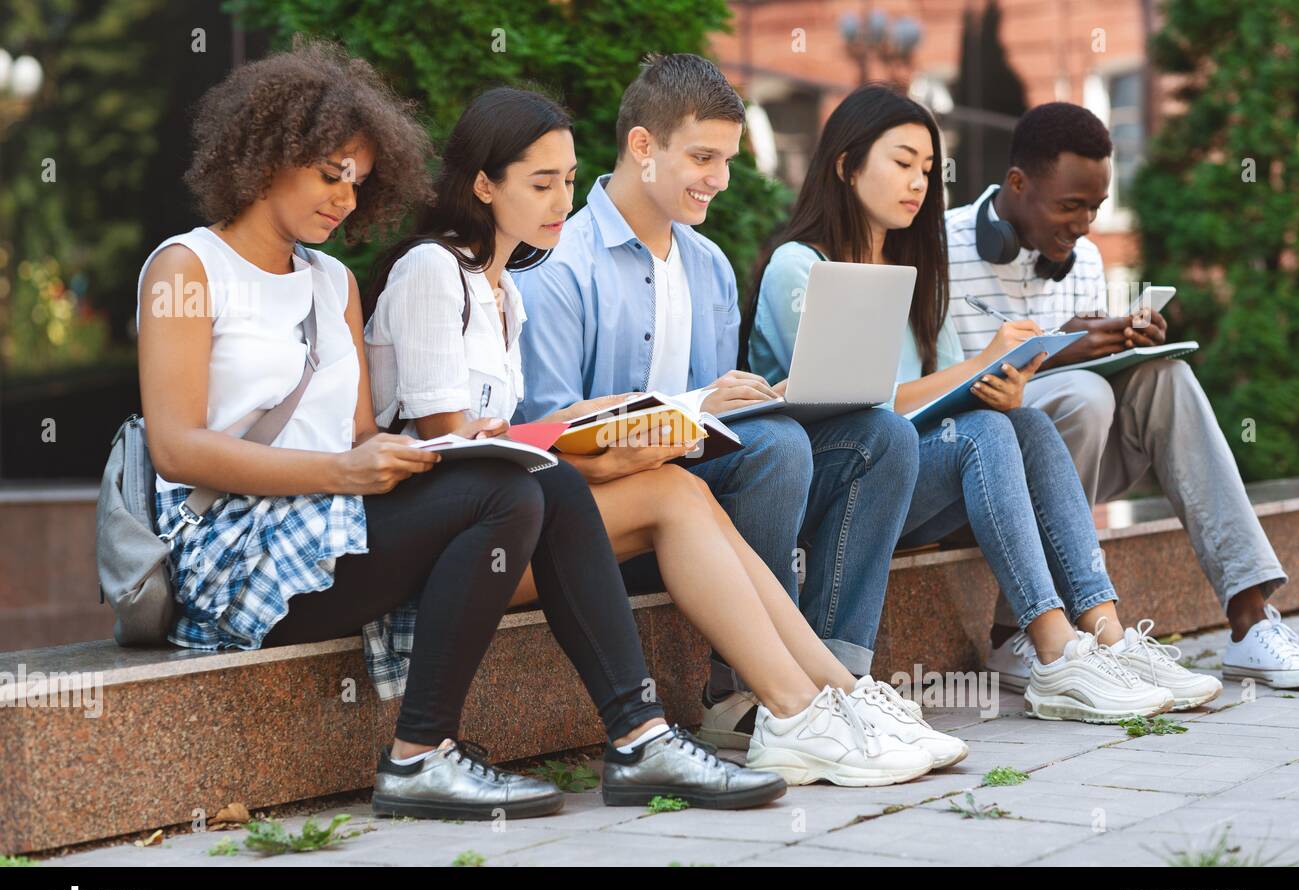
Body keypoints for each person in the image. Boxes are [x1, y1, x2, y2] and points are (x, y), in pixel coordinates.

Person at [137, 41, 784, 821]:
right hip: (237, 554)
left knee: (530, 478)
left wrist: (444, 448)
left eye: (359, 179)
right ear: (265, 156)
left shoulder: (332, 281)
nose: (345, 197)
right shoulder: (187, 268)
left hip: (333, 527)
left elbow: (360, 437)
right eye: (328, 173)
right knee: (509, 493)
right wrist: (347, 471)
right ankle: (419, 757)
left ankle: (640, 736)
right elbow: (176, 449)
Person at [365, 85, 967, 786]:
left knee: (705, 480)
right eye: (541, 183)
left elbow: (511, 434)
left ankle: (832, 694)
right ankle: (790, 708)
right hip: (458, 535)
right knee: (682, 486)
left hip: (523, 514)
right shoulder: (435, 271)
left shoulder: (509, 294)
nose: (562, 200)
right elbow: (460, 454)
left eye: (565, 180)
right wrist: (621, 432)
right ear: (482, 184)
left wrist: (659, 414)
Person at [745, 85, 1219, 722]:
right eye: (901, 162)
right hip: (827, 486)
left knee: (1016, 421)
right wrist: (977, 364)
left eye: (926, 168)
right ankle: (1052, 651)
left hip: (906, 476)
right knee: (985, 435)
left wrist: (997, 381)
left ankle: (1104, 635)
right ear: (845, 164)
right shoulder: (798, 267)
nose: (919, 182)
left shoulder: (917, 263)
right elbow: (861, 401)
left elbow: (943, 386)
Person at [514, 54, 921, 747]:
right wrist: (706, 402)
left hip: (701, 489)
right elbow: (554, 435)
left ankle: (847, 677)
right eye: (703, 157)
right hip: (612, 511)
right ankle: (744, 694)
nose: (721, 180)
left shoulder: (710, 266)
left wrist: (762, 396)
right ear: (642, 147)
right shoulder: (559, 261)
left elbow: (715, 424)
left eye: (728, 160)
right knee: (778, 447)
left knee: (883, 437)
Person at [944, 102, 1296, 689]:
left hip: (1076, 461)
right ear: (1017, 184)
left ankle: (1248, 615)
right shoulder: (941, 246)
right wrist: (1063, 352)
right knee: (1083, 394)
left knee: (1166, 375)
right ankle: (1019, 632)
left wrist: (1122, 345)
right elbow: (937, 393)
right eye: (1069, 205)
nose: (1084, 224)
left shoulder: (1084, 260)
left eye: (1096, 207)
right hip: (979, 469)